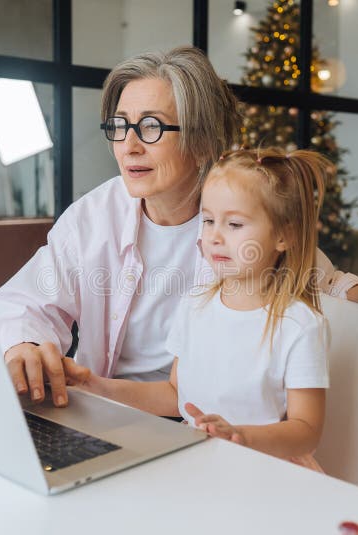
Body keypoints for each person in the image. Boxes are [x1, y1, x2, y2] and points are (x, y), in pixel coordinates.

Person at [0, 46, 358, 409]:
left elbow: (316, 279)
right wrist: (24, 346)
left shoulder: (238, 212)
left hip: (203, 421)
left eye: (149, 127)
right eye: (120, 126)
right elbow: (28, 299)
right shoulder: (94, 215)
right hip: (103, 405)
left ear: (202, 141)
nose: (128, 145)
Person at [62, 147, 332, 470]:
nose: (215, 236)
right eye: (208, 220)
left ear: (283, 236)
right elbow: (174, 393)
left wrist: (240, 437)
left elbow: (307, 432)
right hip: (201, 465)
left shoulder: (299, 325)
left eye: (234, 224)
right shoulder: (195, 304)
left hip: (268, 475)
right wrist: (96, 386)